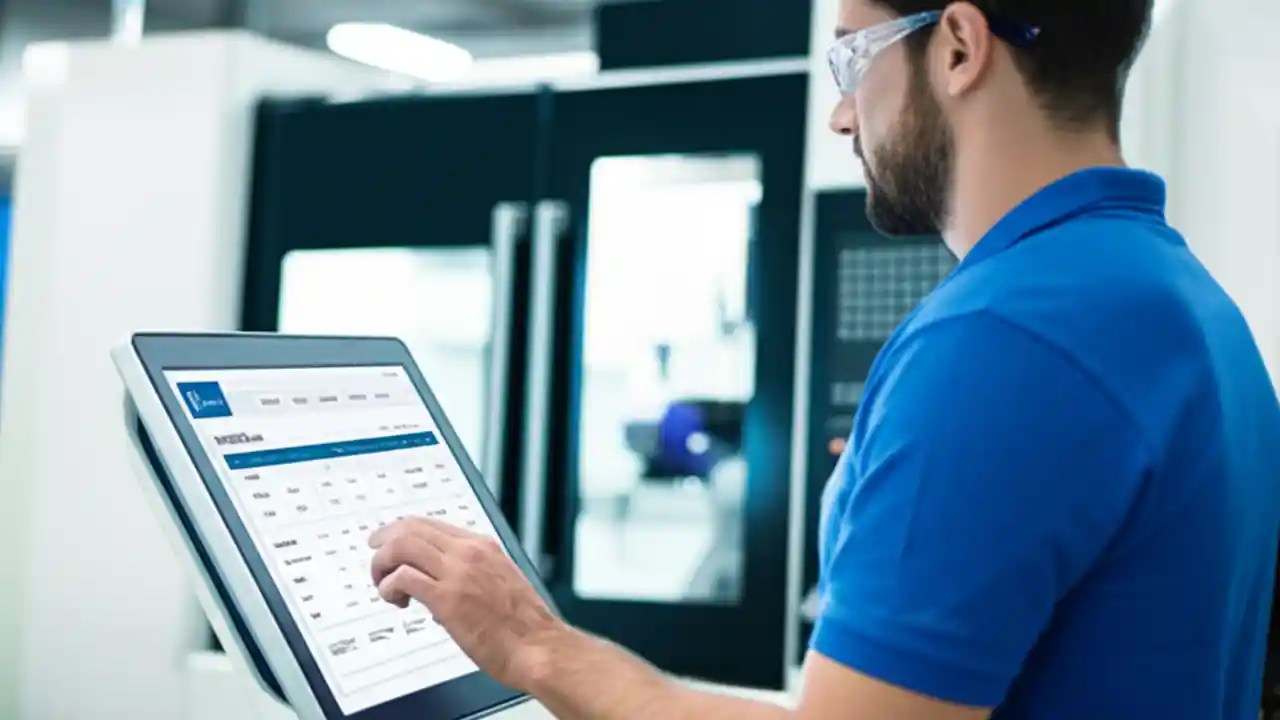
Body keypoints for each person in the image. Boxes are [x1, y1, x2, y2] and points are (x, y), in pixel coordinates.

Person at [369, 0, 1280, 717]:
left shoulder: (999, 340)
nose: (842, 115)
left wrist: (531, 643)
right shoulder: (1186, 303)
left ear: (959, 47)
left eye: (852, 56)